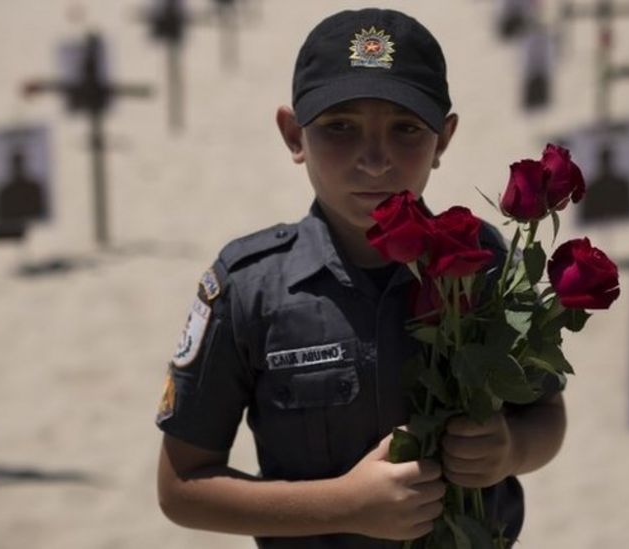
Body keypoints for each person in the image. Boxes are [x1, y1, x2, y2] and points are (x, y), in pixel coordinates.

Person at [155, 8, 567, 548]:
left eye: (406, 129)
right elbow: (182, 487)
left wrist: (509, 450)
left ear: (443, 139)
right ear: (293, 134)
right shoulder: (249, 287)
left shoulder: (481, 259)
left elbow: (546, 415)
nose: (375, 160)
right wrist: (347, 505)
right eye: (340, 127)